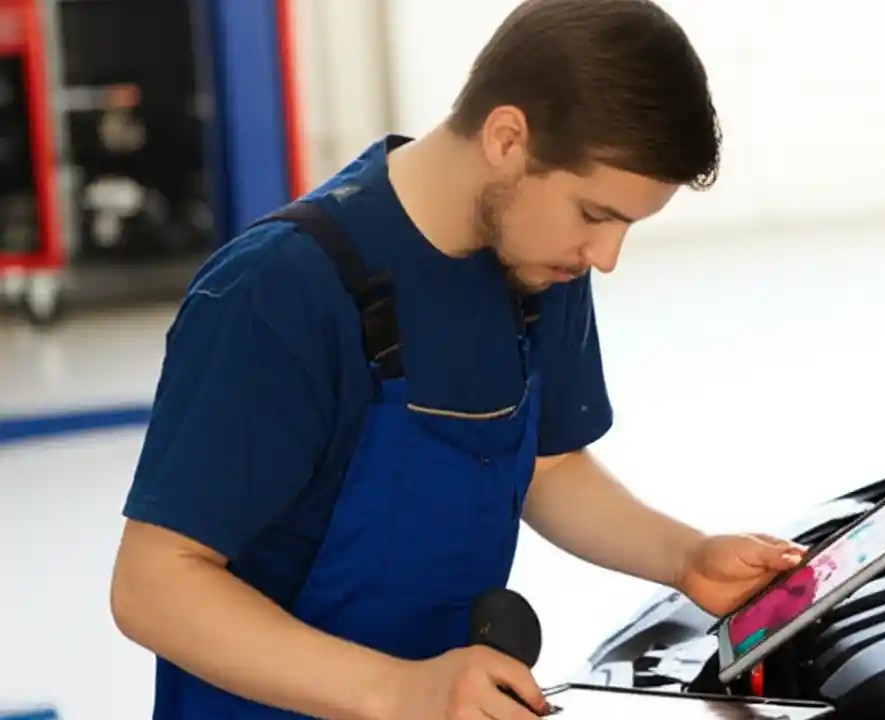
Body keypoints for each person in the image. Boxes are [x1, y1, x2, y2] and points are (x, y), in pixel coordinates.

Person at [108, 1, 804, 718]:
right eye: (596, 216)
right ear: (507, 138)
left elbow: (544, 465)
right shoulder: (277, 293)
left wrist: (686, 558)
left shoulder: (535, 265)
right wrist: (400, 690)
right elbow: (153, 587)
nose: (606, 257)